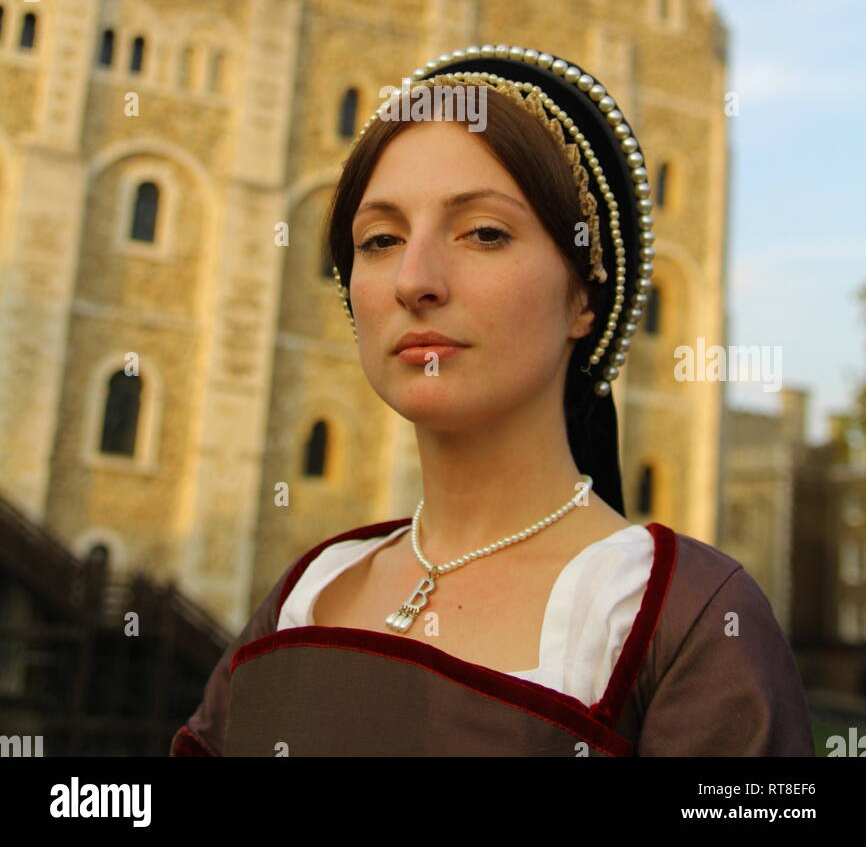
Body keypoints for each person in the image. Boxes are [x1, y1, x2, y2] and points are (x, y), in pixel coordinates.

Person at [171, 45, 815, 757]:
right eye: (379, 239)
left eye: (484, 233)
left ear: (584, 296)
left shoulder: (680, 621)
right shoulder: (304, 595)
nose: (414, 280)